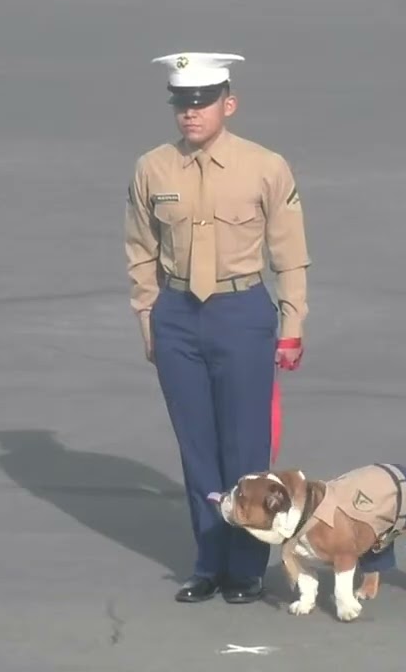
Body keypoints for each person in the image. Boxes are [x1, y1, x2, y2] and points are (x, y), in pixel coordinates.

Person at [124, 51, 310, 604]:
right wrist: (148, 319)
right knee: (197, 448)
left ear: (228, 104)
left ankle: (246, 568)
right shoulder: (152, 168)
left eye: (202, 102)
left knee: (246, 446)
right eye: (182, 103)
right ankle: (207, 563)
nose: (191, 113)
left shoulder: (265, 166)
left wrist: (292, 323)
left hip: (241, 311)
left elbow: (290, 251)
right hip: (178, 315)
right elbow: (140, 250)